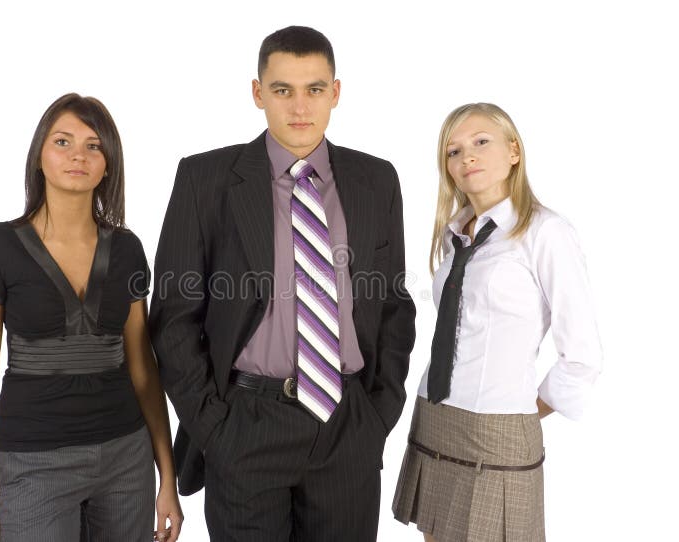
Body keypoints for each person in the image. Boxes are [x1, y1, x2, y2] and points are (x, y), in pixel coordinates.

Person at [149, 26, 416, 542]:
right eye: (282, 90)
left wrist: (376, 417)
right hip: (245, 426)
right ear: (257, 93)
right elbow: (174, 319)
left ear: (335, 93)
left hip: (346, 426)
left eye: (315, 89)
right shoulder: (205, 180)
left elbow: (394, 308)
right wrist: (216, 430)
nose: (300, 106)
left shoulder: (376, 180)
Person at [0, 93, 183, 542]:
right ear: (39, 155)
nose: (78, 155)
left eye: (93, 145)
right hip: (34, 462)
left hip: (125, 458)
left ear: (108, 165)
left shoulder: (127, 249)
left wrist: (168, 479)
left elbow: (143, 369)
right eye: (63, 142)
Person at [392, 103, 603, 541]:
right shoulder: (456, 236)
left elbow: (581, 354)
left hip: (497, 430)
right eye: (453, 151)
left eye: (480, 142)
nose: (466, 157)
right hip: (434, 415)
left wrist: (526, 409)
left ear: (513, 151)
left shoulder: (546, 232)